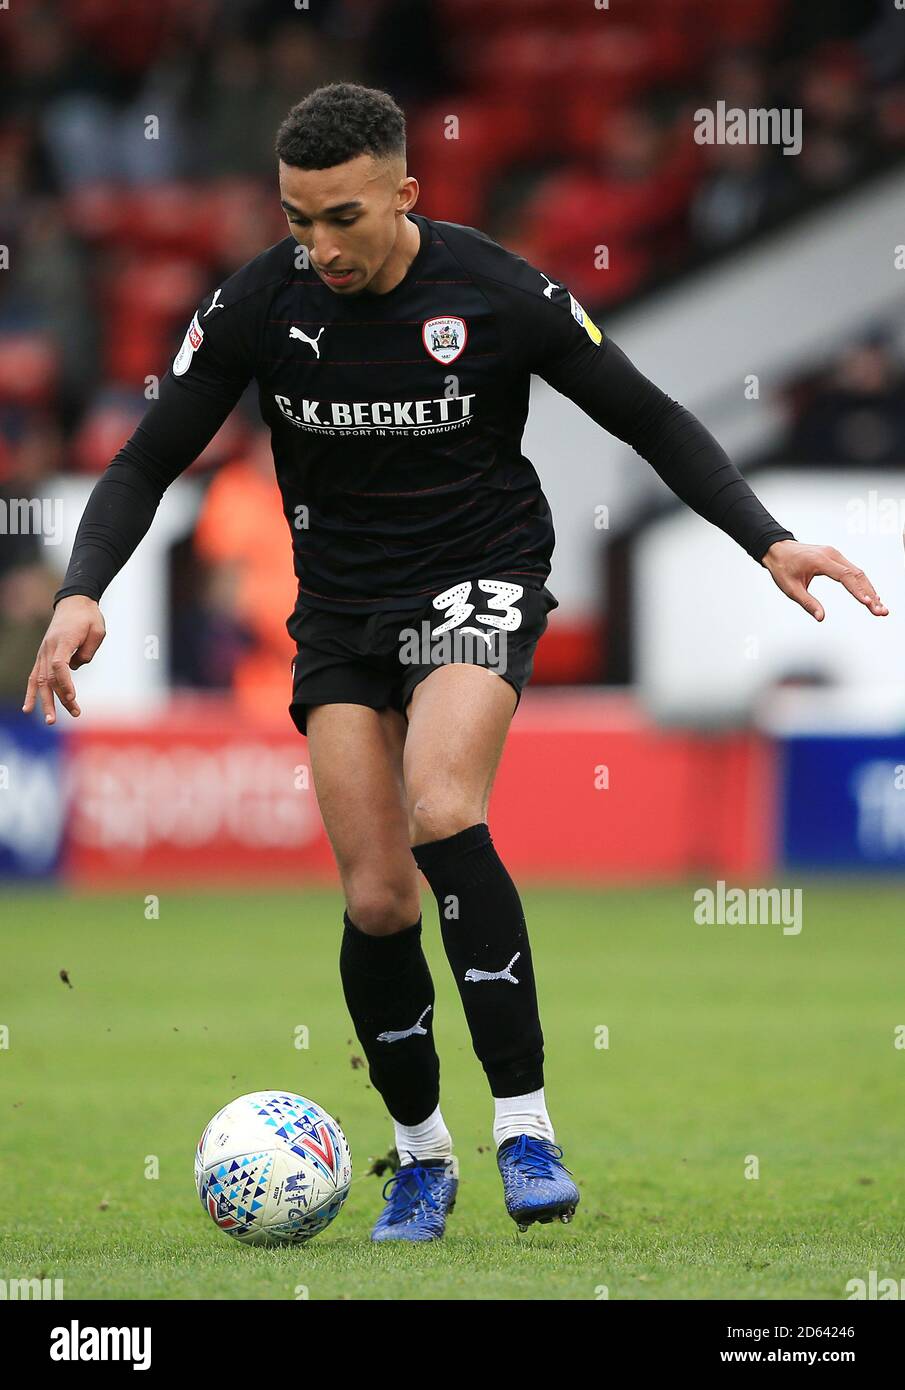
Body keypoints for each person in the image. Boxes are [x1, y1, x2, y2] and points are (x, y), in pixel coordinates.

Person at [23, 83, 888, 1242]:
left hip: (476, 576)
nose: (317, 246)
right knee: (377, 897)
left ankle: (524, 1126)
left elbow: (647, 416)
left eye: (341, 217)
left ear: (403, 195)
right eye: (295, 219)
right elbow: (142, 462)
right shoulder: (255, 302)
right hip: (338, 608)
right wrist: (84, 589)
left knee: (441, 806)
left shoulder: (495, 290)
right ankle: (421, 1156)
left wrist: (765, 539)